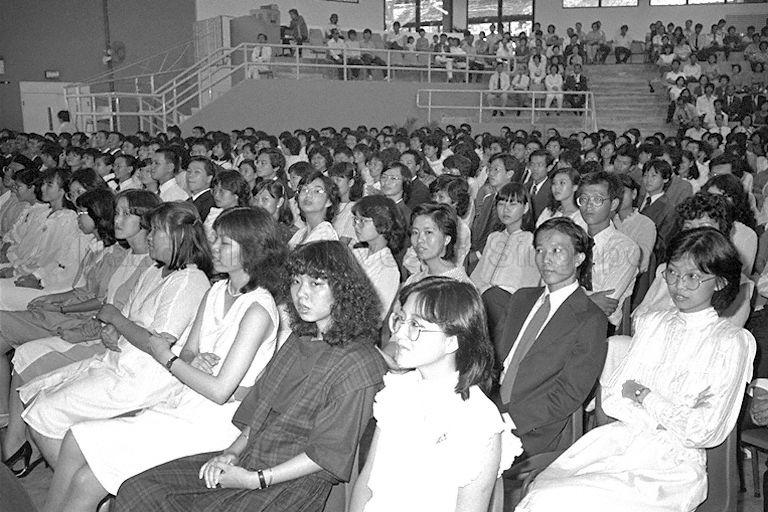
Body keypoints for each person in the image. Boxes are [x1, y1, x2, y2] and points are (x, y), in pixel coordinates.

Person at [41, 207, 286, 512]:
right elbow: (190, 350)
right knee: (77, 442)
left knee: (86, 474)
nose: (214, 247)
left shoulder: (258, 309)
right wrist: (188, 362)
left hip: (213, 422)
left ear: (251, 250)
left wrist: (168, 359)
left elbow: (221, 391)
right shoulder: (218, 290)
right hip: (186, 401)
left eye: (225, 242)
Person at [114, 240, 387, 512]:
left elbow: (327, 455)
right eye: (295, 282)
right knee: (138, 489)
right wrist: (231, 453)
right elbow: (261, 412)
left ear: (343, 288)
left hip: (291, 483)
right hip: (254, 456)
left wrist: (253, 480)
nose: (301, 294)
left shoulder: (360, 363)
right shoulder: (300, 338)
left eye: (316, 283)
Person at [517, 228, 755, 512]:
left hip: (669, 467)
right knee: (542, 489)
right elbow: (616, 399)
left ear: (719, 283)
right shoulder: (653, 324)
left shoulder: (732, 341)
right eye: (673, 273)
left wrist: (644, 395)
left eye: (692, 277)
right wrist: (667, 411)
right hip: (618, 442)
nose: (679, 286)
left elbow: (702, 430)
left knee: (554, 500)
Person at [20, 202, 213, 466]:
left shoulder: (189, 281)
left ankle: (80, 486)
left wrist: (115, 321)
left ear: (177, 237)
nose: (149, 237)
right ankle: (76, 479)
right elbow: (129, 315)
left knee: (43, 414)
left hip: (144, 377)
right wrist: (113, 328)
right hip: (119, 361)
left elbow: (156, 343)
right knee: (35, 395)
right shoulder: (155, 270)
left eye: (155, 231)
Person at [350, 277, 520, 512]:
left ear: (452, 342)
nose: (398, 334)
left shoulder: (479, 421)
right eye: (400, 320)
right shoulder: (399, 391)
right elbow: (367, 482)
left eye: (416, 326)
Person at [483, 217, 607, 458]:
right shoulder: (522, 299)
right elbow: (493, 356)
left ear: (579, 258)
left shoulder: (590, 318)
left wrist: (509, 419)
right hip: (489, 405)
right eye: (539, 250)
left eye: (557, 251)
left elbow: (570, 392)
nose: (545, 258)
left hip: (532, 425)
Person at [577, 171, 641, 329]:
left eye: (597, 199)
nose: (588, 205)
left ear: (613, 204)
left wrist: (569, 297)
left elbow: (605, 303)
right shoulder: (573, 240)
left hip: (603, 327)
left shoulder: (626, 248)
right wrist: (588, 298)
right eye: (583, 199)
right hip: (568, 316)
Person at [471, 182, 540, 295]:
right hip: (482, 298)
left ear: (525, 208)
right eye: (501, 204)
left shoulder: (531, 241)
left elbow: (531, 284)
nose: (505, 209)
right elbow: (477, 275)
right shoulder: (494, 238)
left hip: (508, 301)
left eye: (513, 204)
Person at [351, 195, 404, 315]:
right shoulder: (357, 253)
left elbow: (377, 315)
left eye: (363, 221)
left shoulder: (388, 268)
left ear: (383, 224)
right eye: (355, 219)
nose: (356, 225)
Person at [405, 202, 472, 286]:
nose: (419, 240)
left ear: (447, 239)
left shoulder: (458, 284)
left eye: (428, 232)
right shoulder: (414, 280)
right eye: (415, 232)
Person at [287, 170, 340, 249]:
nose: (308, 195)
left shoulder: (325, 237)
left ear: (329, 201)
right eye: (304, 190)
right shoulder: (301, 233)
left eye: (317, 191)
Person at [535, 166, 587, 231]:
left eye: (562, 183)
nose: (556, 187)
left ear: (575, 187)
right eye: (554, 183)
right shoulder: (549, 211)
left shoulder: (581, 217)